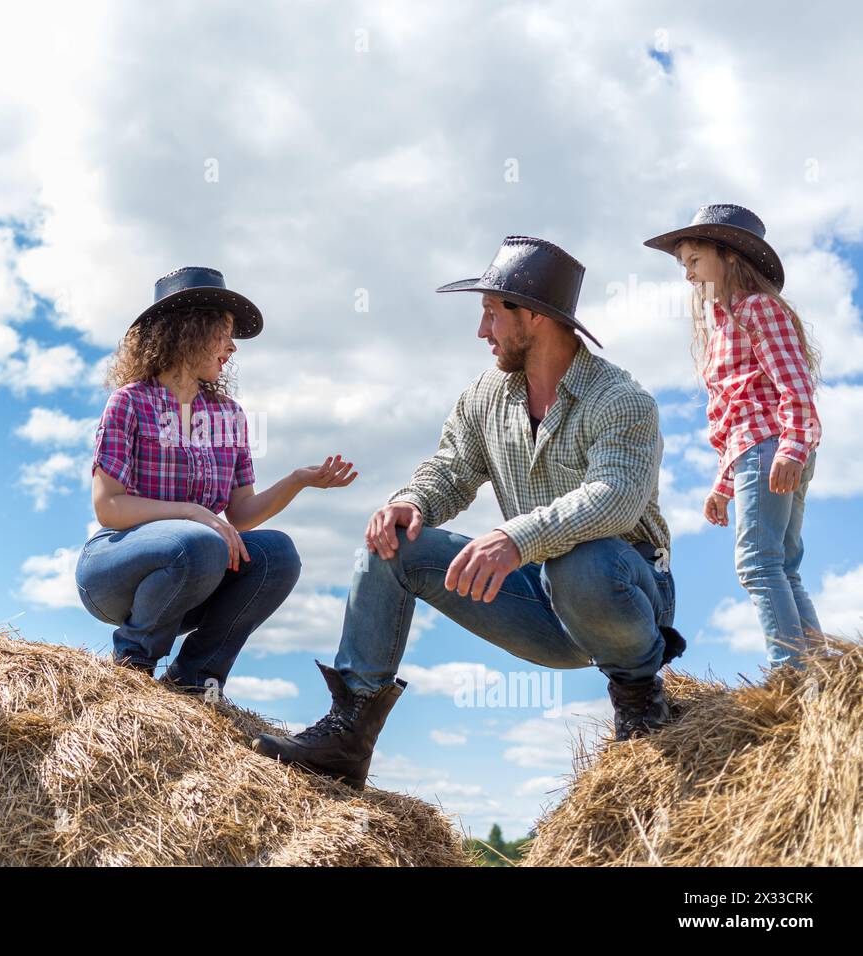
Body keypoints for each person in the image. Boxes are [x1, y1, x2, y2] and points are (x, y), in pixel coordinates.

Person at [253, 237, 686, 788]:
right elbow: (451, 469)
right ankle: (349, 731)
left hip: (625, 592)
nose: (482, 331)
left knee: (583, 561)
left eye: (490, 313)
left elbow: (615, 498)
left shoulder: (622, 400)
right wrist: (408, 503)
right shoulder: (485, 397)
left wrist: (514, 537)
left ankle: (639, 696)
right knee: (392, 545)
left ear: (533, 315)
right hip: (542, 602)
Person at [76, 266, 357, 698]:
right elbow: (108, 507)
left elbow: (240, 515)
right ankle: (133, 665)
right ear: (187, 330)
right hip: (116, 572)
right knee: (200, 539)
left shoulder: (229, 415)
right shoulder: (130, 402)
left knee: (279, 554)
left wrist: (299, 480)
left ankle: (195, 677)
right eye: (222, 332)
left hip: (194, 576)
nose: (231, 347)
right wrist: (193, 513)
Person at [645, 204, 823, 669]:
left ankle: (790, 673)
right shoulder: (724, 325)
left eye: (693, 261)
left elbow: (794, 383)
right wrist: (723, 486)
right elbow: (734, 414)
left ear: (728, 256)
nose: (687, 275)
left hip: (773, 447)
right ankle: (819, 672)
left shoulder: (757, 310)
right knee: (782, 564)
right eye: (683, 265)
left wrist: (793, 445)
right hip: (762, 449)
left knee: (758, 564)